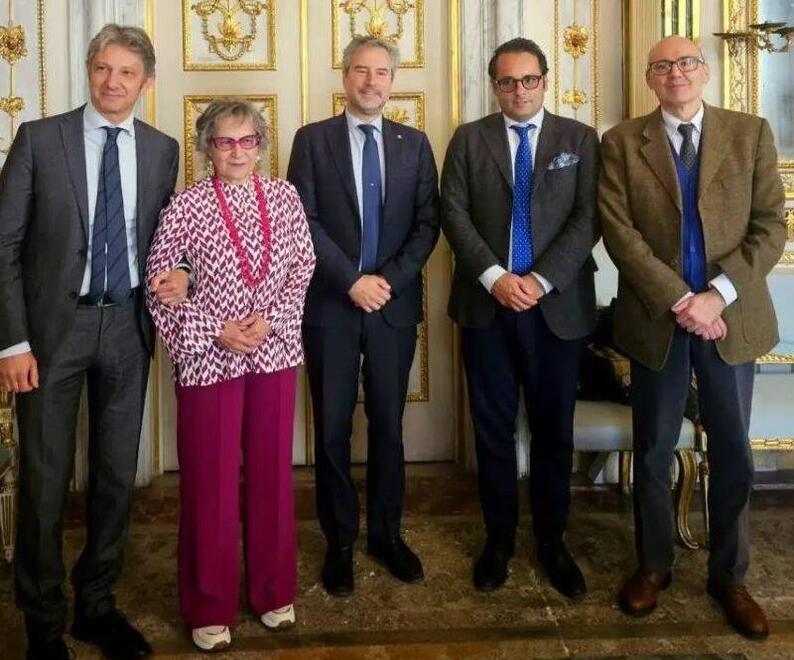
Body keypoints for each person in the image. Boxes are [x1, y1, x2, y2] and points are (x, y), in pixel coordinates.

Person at [0, 24, 188, 660]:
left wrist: (182, 272)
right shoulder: (39, 139)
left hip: (129, 330)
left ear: (146, 82)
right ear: (89, 71)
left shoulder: (163, 151)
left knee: (115, 478)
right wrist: (12, 344)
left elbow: (171, 241)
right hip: (53, 334)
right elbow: (4, 247)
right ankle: (43, 624)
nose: (113, 82)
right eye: (103, 69)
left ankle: (97, 607)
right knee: (46, 481)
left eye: (127, 73)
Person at [599, 35, 786, 639]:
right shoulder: (623, 142)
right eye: (662, 66)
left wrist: (716, 296)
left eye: (685, 63)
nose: (675, 73)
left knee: (732, 452)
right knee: (652, 451)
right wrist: (683, 300)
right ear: (650, 79)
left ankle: (729, 577)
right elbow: (620, 234)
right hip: (658, 320)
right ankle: (653, 566)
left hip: (731, 320)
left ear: (704, 72)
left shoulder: (750, 132)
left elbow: (769, 227)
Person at [146, 100, 315, 652]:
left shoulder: (286, 197)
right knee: (211, 482)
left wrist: (268, 323)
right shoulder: (185, 205)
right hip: (207, 354)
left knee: (270, 474)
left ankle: (272, 592)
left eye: (247, 141)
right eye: (225, 142)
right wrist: (219, 330)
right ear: (207, 149)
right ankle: (209, 604)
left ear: (261, 145)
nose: (237, 152)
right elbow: (160, 284)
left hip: (273, 349)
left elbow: (303, 267)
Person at [441, 37, 599, 597]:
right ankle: (499, 540)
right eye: (507, 81)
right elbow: (452, 211)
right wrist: (495, 277)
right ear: (495, 86)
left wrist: (538, 279)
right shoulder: (468, 139)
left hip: (557, 308)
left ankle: (553, 541)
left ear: (545, 80)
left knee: (554, 431)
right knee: (493, 431)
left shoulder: (579, 139)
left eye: (529, 79)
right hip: (487, 305)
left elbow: (588, 218)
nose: (519, 90)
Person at [287, 36, 440, 597]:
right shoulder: (312, 141)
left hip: (392, 309)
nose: (370, 81)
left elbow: (428, 225)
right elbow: (302, 219)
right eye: (360, 71)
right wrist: (350, 280)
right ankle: (340, 542)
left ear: (393, 80)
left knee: (388, 428)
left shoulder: (415, 145)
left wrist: (386, 283)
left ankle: (386, 535)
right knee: (329, 431)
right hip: (330, 304)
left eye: (381, 72)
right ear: (344, 76)